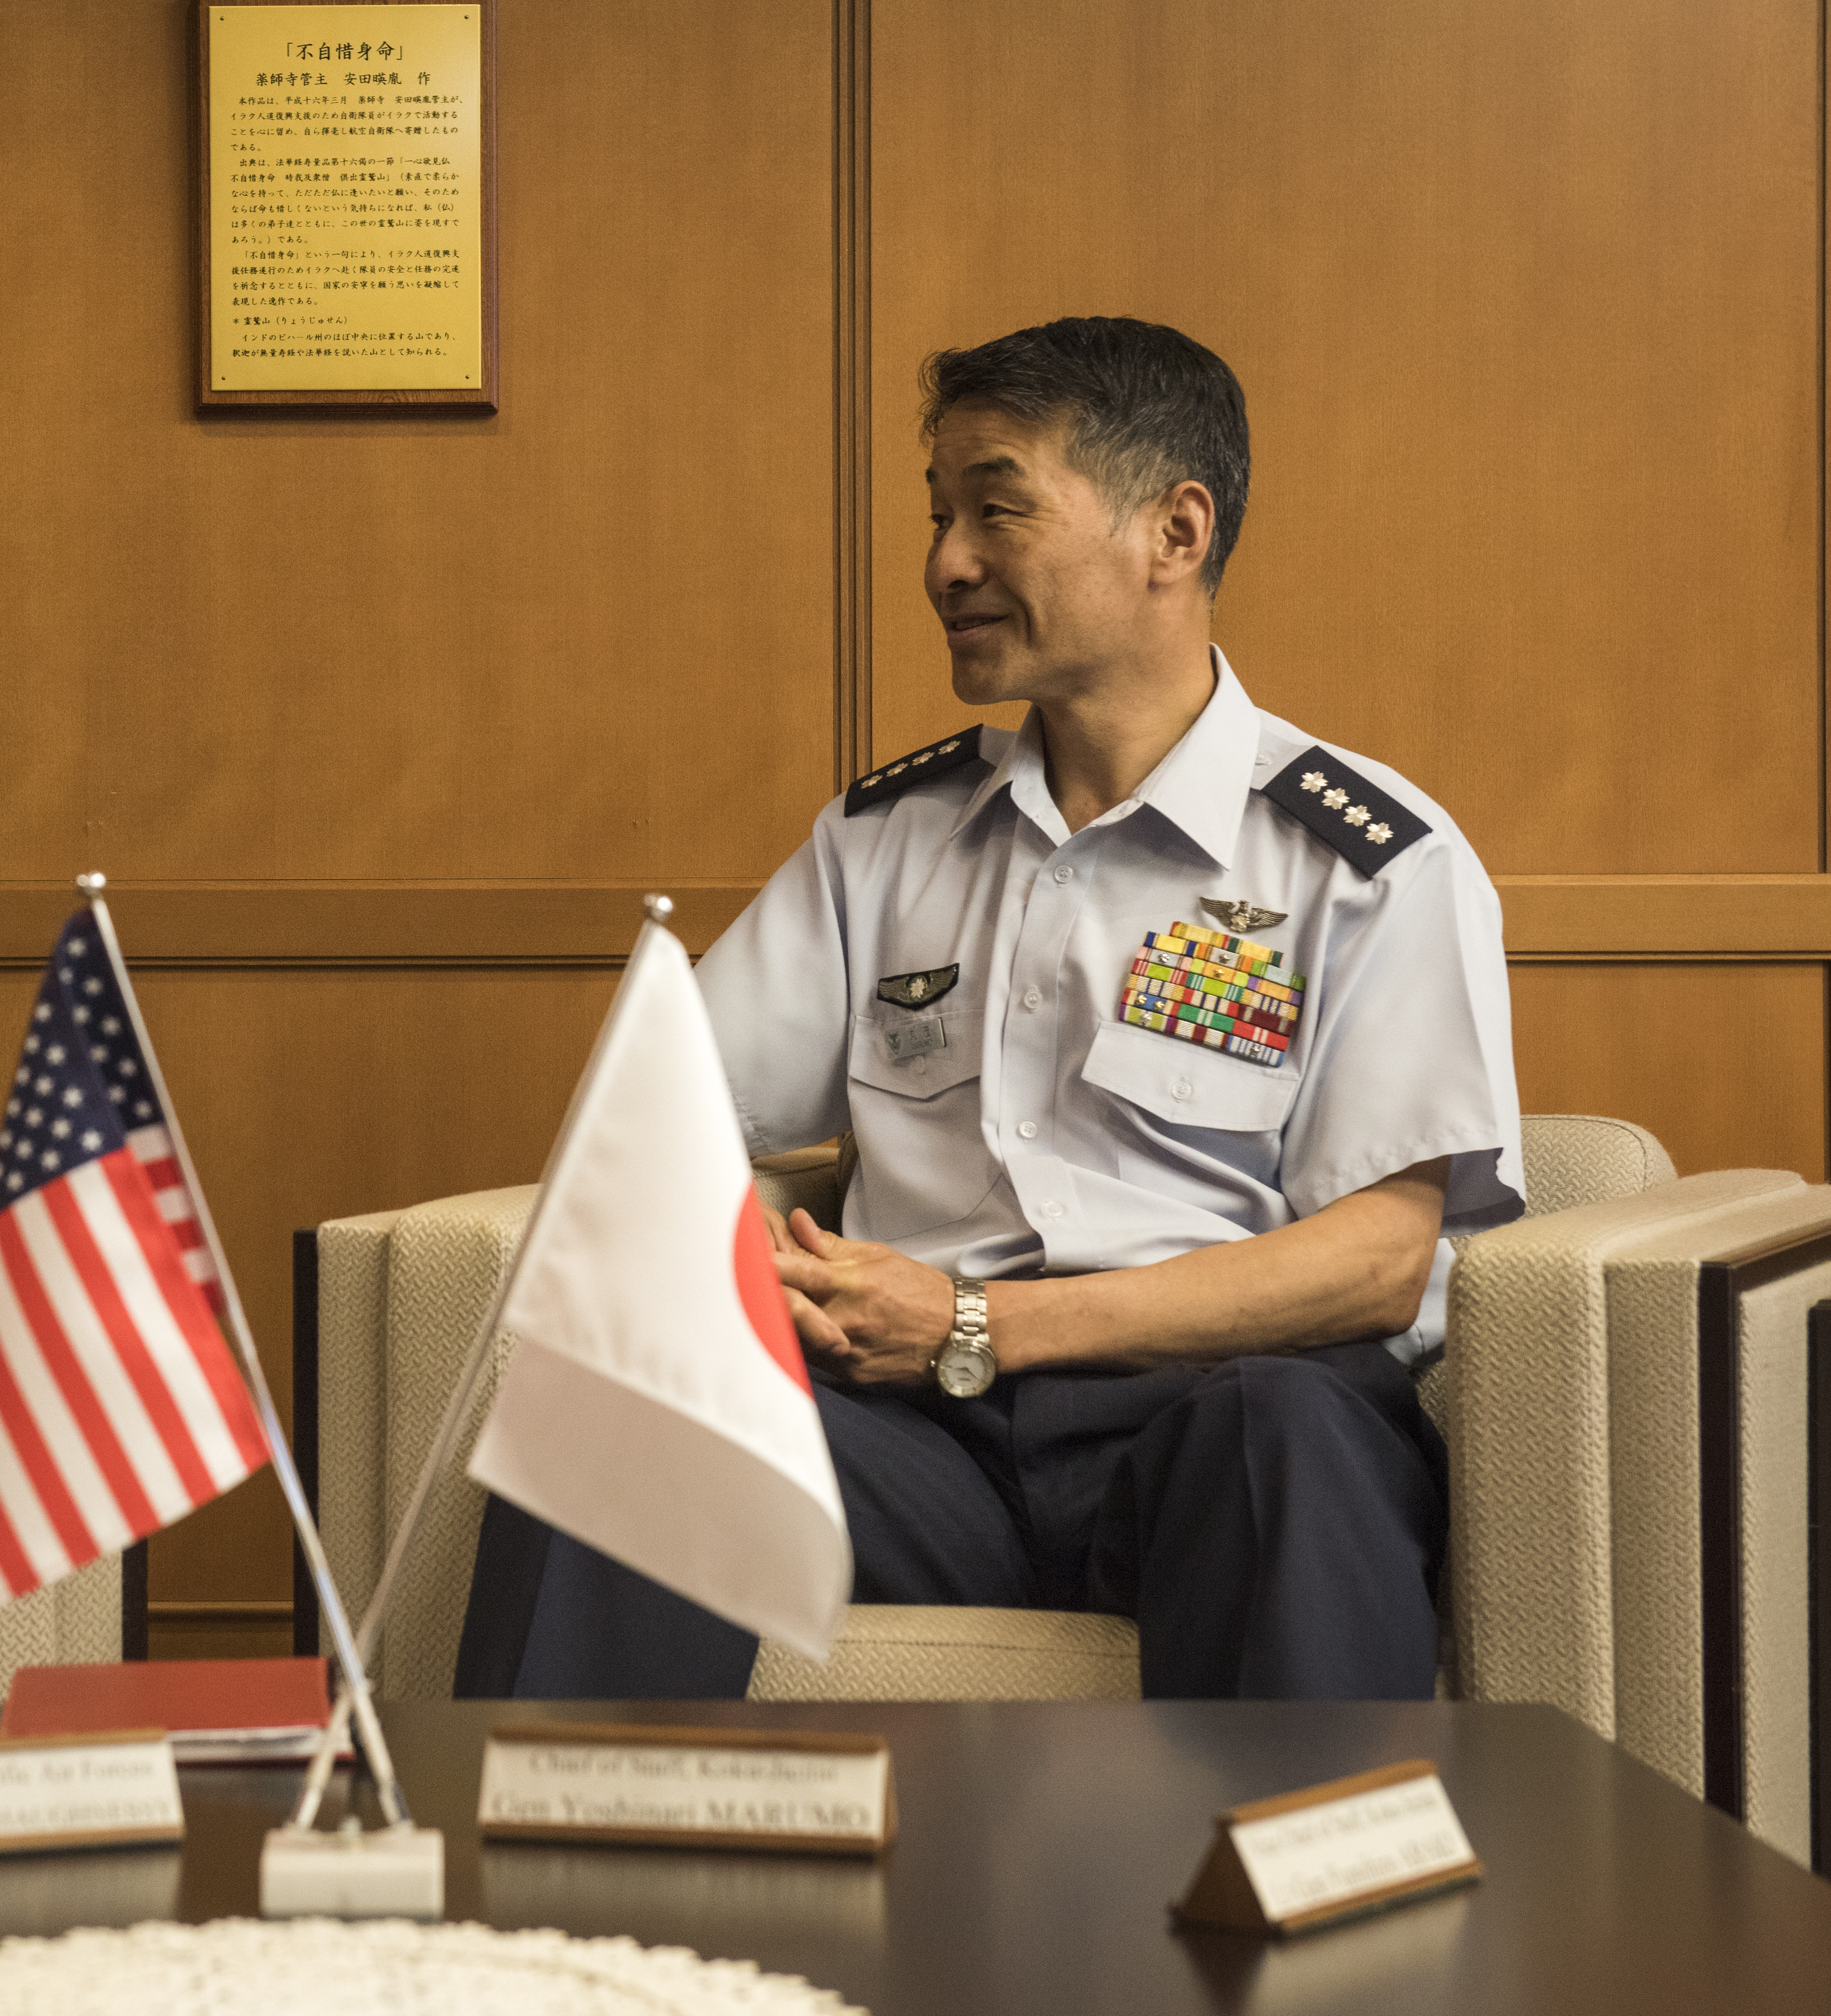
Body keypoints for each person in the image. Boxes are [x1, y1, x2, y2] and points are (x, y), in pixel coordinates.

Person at [458, 316, 1522, 1701]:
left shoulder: (1367, 857)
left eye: (997, 508)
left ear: (1175, 532)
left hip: (1213, 1425)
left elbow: (1378, 1260)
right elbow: (660, 1133)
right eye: (940, 514)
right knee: (626, 1407)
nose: (944, 562)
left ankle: (1308, 1905)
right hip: (918, 1444)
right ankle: (535, 1905)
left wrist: (981, 1320)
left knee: (1288, 1433)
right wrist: (775, 1279)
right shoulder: (886, 839)